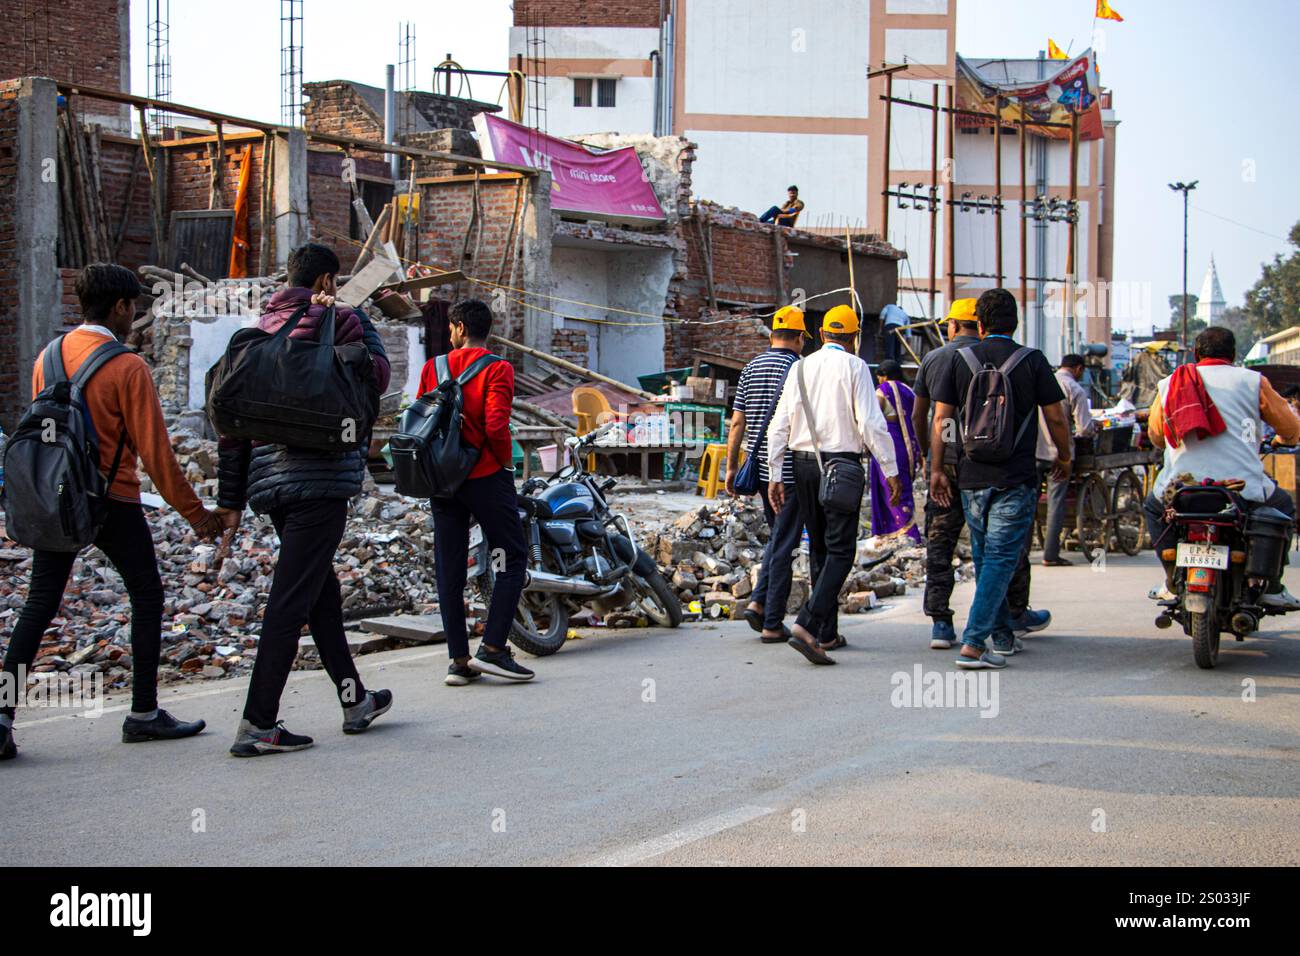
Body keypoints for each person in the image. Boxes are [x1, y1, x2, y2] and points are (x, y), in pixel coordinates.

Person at [2, 264, 218, 761]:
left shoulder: (47, 357)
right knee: (146, 593)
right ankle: (143, 713)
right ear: (120, 307)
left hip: (55, 497)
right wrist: (196, 514)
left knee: (38, 606)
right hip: (111, 501)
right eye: (133, 307)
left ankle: (2, 716)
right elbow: (156, 456)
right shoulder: (127, 367)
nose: (135, 314)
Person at [217, 243, 393, 757]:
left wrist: (231, 499)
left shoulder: (258, 331)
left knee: (320, 593)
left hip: (270, 488)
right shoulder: (339, 322)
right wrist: (357, 314)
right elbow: (376, 381)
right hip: (319, 483)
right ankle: (258, 723)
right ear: (328, 281)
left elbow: (231, 430)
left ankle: (354, 699)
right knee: (292, 598)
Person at [928, 289, 1072, 669]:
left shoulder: (961, 360)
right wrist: (1065, 455)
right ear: (1016, 322)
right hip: (1015, 477)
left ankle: (1004, 636)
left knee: (985, 557)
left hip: (972, 477)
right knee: (1001, 558)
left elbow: (943, 420)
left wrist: (938, 468)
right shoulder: (1032, 361)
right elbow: (1056, 418)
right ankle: (974, 644)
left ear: (979, 323)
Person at [767, 305, 902, 665]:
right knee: (841, 550)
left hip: (802, 465)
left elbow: (779, 424)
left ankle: (826, 633)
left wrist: (776, 474)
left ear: (823, 334)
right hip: (841, 465)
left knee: (820, 548)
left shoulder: (800, 367)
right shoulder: (856, 366)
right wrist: (890, 470)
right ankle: (808, 624)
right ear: (854, 338)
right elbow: (872, 424)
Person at [1142, 326, 1300, 608]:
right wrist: (1286, 438)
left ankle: (1170, 580)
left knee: (1153, 507)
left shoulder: (1170, 384)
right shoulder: (1253, 381)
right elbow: (1290, 428)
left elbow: (1156, 436)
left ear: (1195, 353)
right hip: (1242, 488)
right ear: (1234, 355)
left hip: (1180, 487)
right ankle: (1272, 586)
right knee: (1283, 505)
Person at [420, 299, 535, 686]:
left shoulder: (431, 368)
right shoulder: (498, 368)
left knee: (449, 569)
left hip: (441, 479)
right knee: (513, 555)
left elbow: (421, 422)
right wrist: (505, 465)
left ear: (457, 328)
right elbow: (496, 425)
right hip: (485, 475)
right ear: (486, 330)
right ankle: (494, 648)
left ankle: (458, 661)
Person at [725, 305, 807, 644]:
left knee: (778, 537)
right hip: (787, 470)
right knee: (786, 542)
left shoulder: (750, 367)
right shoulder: (800, 369)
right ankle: (772, 621)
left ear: (772, 334)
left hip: (756, 467)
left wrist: (730, 466)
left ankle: (759, 601)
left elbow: (737, 423)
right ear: (800, 338)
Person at [1040, 354, 1096, 566]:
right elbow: (1084, 429)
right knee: (1056, 502)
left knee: (1028, 502)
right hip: (1059, 454)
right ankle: (1050, 555)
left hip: (1034, 452)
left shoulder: (1043, 380)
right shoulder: (1074, 389)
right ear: (1078, 369)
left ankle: (1021, 554)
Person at [871, 359, 921, 542]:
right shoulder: (909, 391)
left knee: (891, 489)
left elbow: (872, 418)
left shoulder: (883, 391)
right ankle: (903, 532)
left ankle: (906, 533)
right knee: (903, 486)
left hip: (888, 446)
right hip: (909, 447)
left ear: (883, 376)